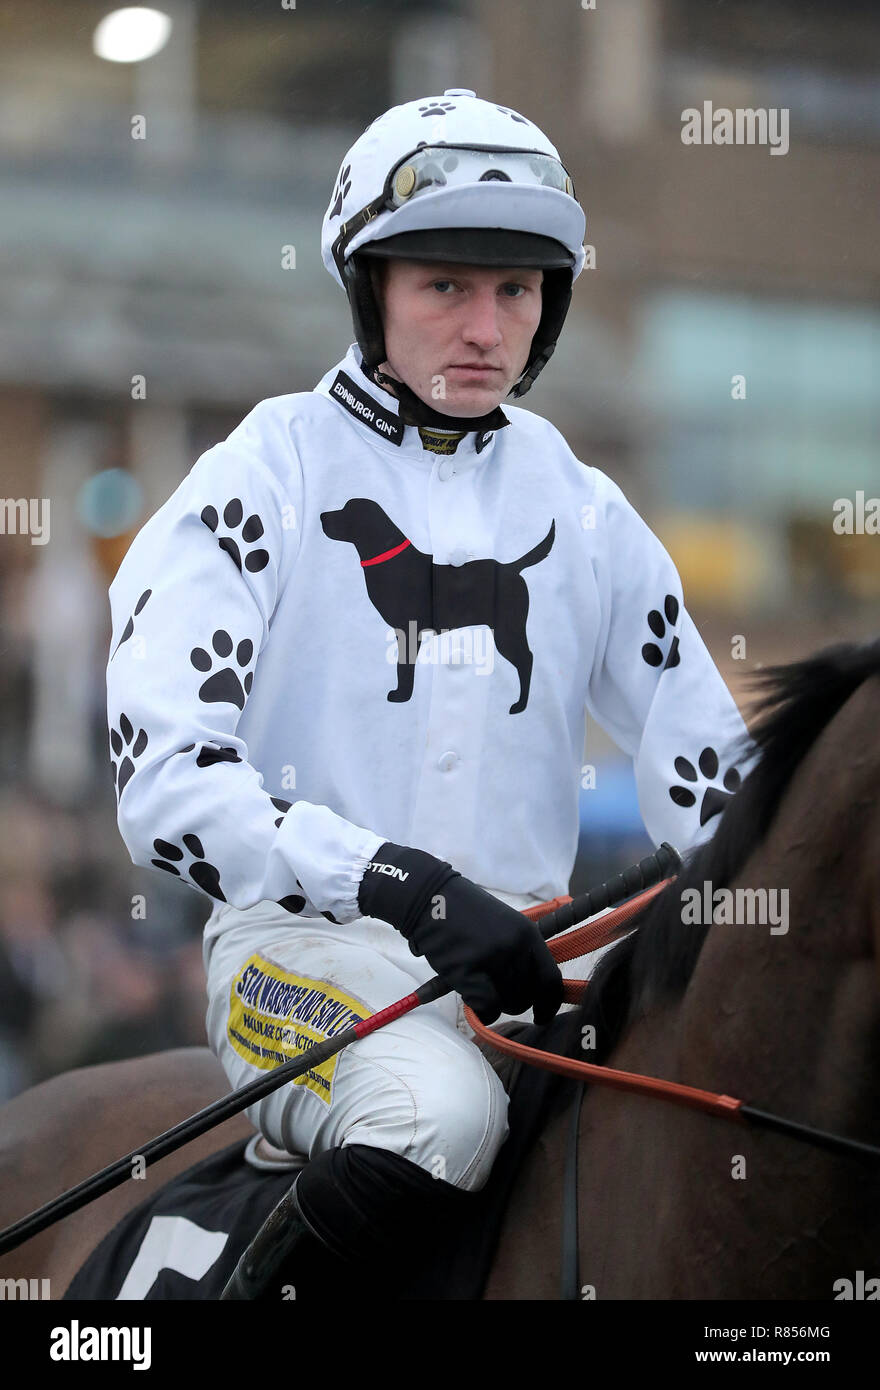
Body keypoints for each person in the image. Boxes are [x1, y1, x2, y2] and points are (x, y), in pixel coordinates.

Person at [106, 89, 752, 1296]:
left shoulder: (582, 506)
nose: (485, 327)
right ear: (369, 288)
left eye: (517, 291)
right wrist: (399, 881)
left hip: (533, 962)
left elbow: (714, 777)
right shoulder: (262, 474)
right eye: (444, 285)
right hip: (292, 954)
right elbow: (166, 784)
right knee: (436, 1117)